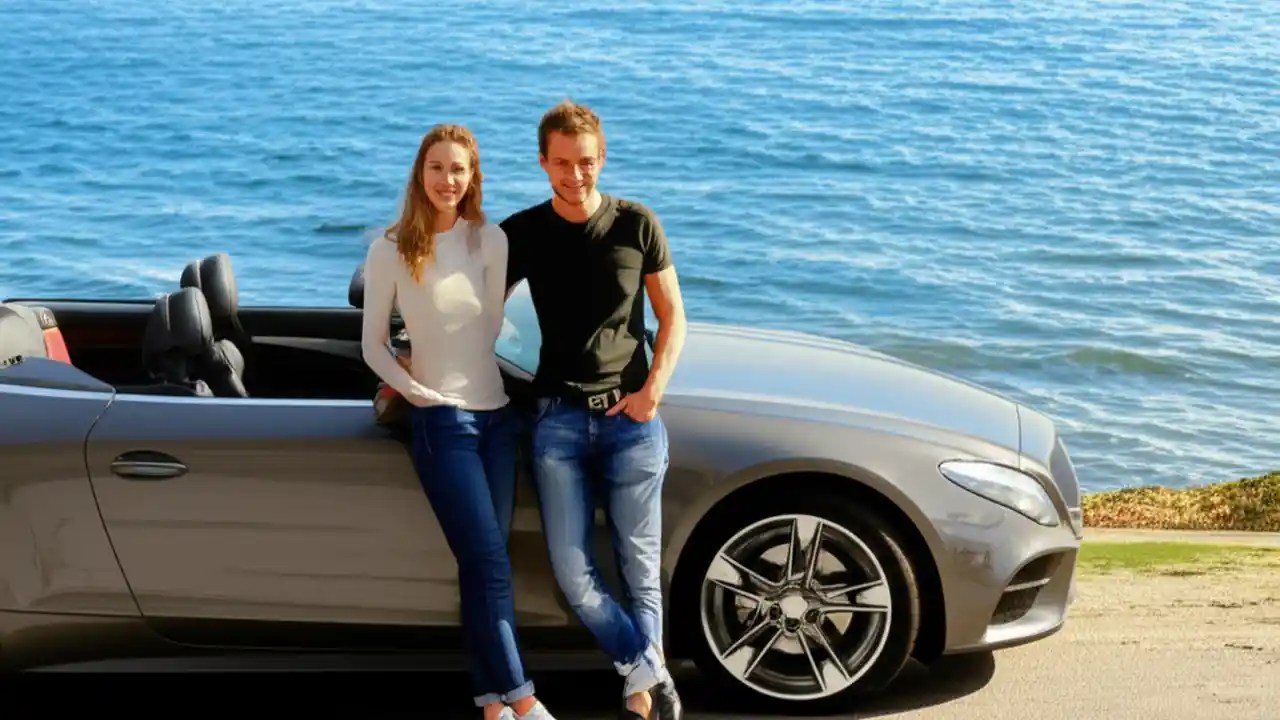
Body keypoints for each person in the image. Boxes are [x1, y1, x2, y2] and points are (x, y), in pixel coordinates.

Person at [501, 100, 688, 720]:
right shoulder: (520, 234)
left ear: (601, 158)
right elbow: (470, 304)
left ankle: (640, 698)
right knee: (573, 574)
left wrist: (654, 388)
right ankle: (651, 670)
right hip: (556, 420)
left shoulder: (637, 224)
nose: (574, 175)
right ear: (543, 163)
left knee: (640, 565)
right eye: (561, 163)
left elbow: (672, 317)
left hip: (632, 422)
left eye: (585, 162)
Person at [361, 123, 555, 720]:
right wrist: (416, 392)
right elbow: (371, 346)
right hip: (442, 424)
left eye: (460, 170)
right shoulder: (390, 248)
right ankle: (524, 700)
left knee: (481, 563)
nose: (449, 180)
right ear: (421, 174)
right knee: (492, 563)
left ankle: (489, 703)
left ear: (474, 178)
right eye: (438, 168)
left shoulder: (489, 241)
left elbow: (497, 329)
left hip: (497, 418)